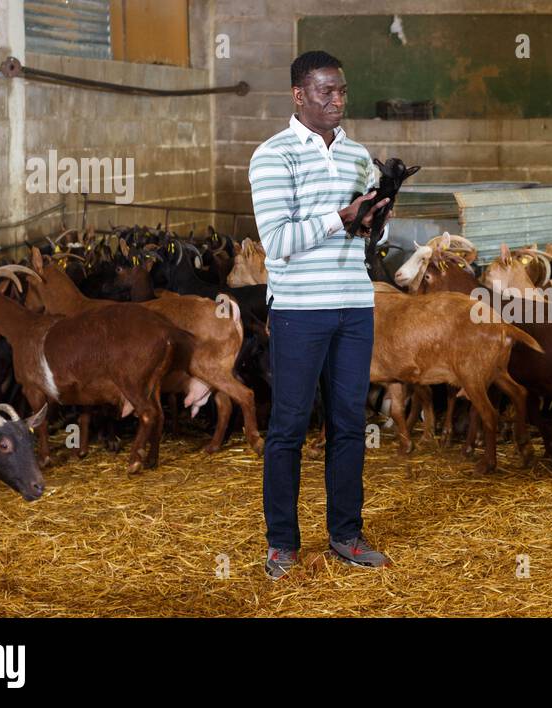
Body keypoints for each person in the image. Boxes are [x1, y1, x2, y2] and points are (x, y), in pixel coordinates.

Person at [248, 50, 392, 579]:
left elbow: (373, 238)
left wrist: (376, 221)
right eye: (326, 92)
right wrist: (340, 216)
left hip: (355, 304)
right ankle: (282, 542)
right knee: (288, 426)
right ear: (298, 95)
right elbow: (278, 242)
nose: (337, 100)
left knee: (350, 423)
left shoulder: (359, 155)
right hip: (299, 312)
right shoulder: (272, 156)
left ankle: (346, 535)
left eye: (342, 91)